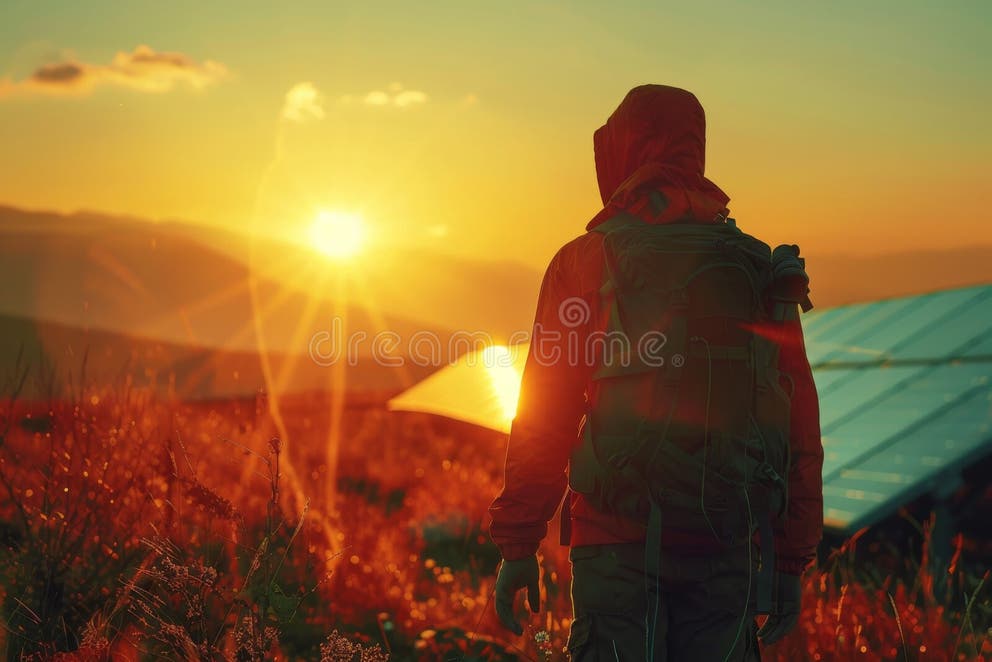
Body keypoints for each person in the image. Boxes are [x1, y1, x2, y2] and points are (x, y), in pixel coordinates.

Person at [489, 84, 823, 660]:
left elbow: (545, 413)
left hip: (614, 542)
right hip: (726, 542)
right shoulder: (756, 265)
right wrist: (790, 559)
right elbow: (794, 418)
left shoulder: (583, 261)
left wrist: (519, 543)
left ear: (621, 152)